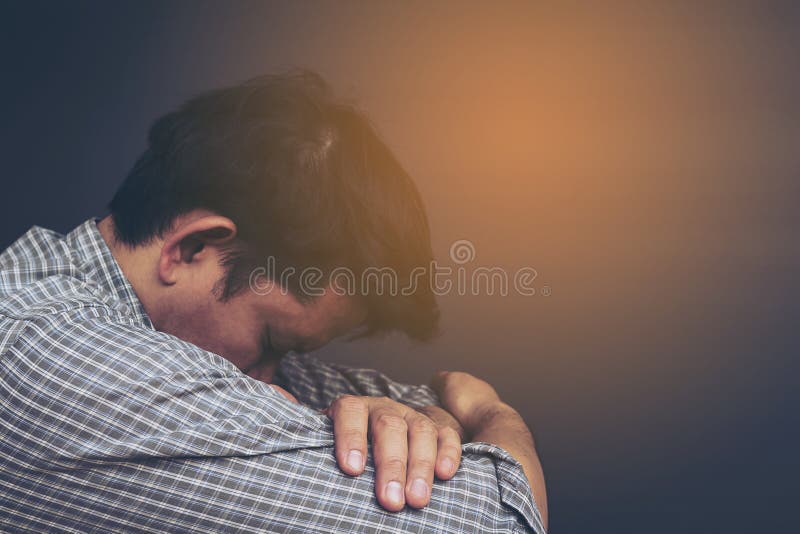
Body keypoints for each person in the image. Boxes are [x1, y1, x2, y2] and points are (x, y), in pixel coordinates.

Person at [0, 71, 547, 533]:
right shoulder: (46, 357)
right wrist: (492, 414)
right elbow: (495, 519)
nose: (271, 386)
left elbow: (438, 415)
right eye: (272, 340)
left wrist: (430, 423)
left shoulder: (181, 333)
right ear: (192, 247)